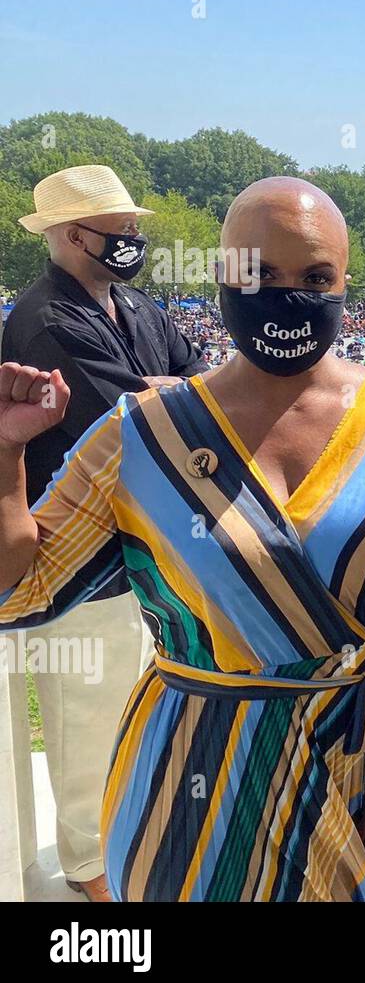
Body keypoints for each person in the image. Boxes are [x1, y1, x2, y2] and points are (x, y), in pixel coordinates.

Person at [0, 177, 365, 902]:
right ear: (223, 275)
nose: (287, 294)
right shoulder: (138, 435)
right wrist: (8, 454)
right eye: (258, 273)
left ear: (344, 283)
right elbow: (20, 590)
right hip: (193, 796)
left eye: (314, 276)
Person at [2, 165, 206, 901]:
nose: (131, 240)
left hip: (139, 547)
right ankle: (91, 867)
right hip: (74, 556)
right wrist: (172, 395)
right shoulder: (44, 321)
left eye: (131, 229)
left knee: (136, 703)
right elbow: (131, 423)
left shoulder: (135, 308)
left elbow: (198, 382)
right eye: (117, 231)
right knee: (87, 713)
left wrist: (171, 394)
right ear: (68, 236)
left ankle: (128, 842)